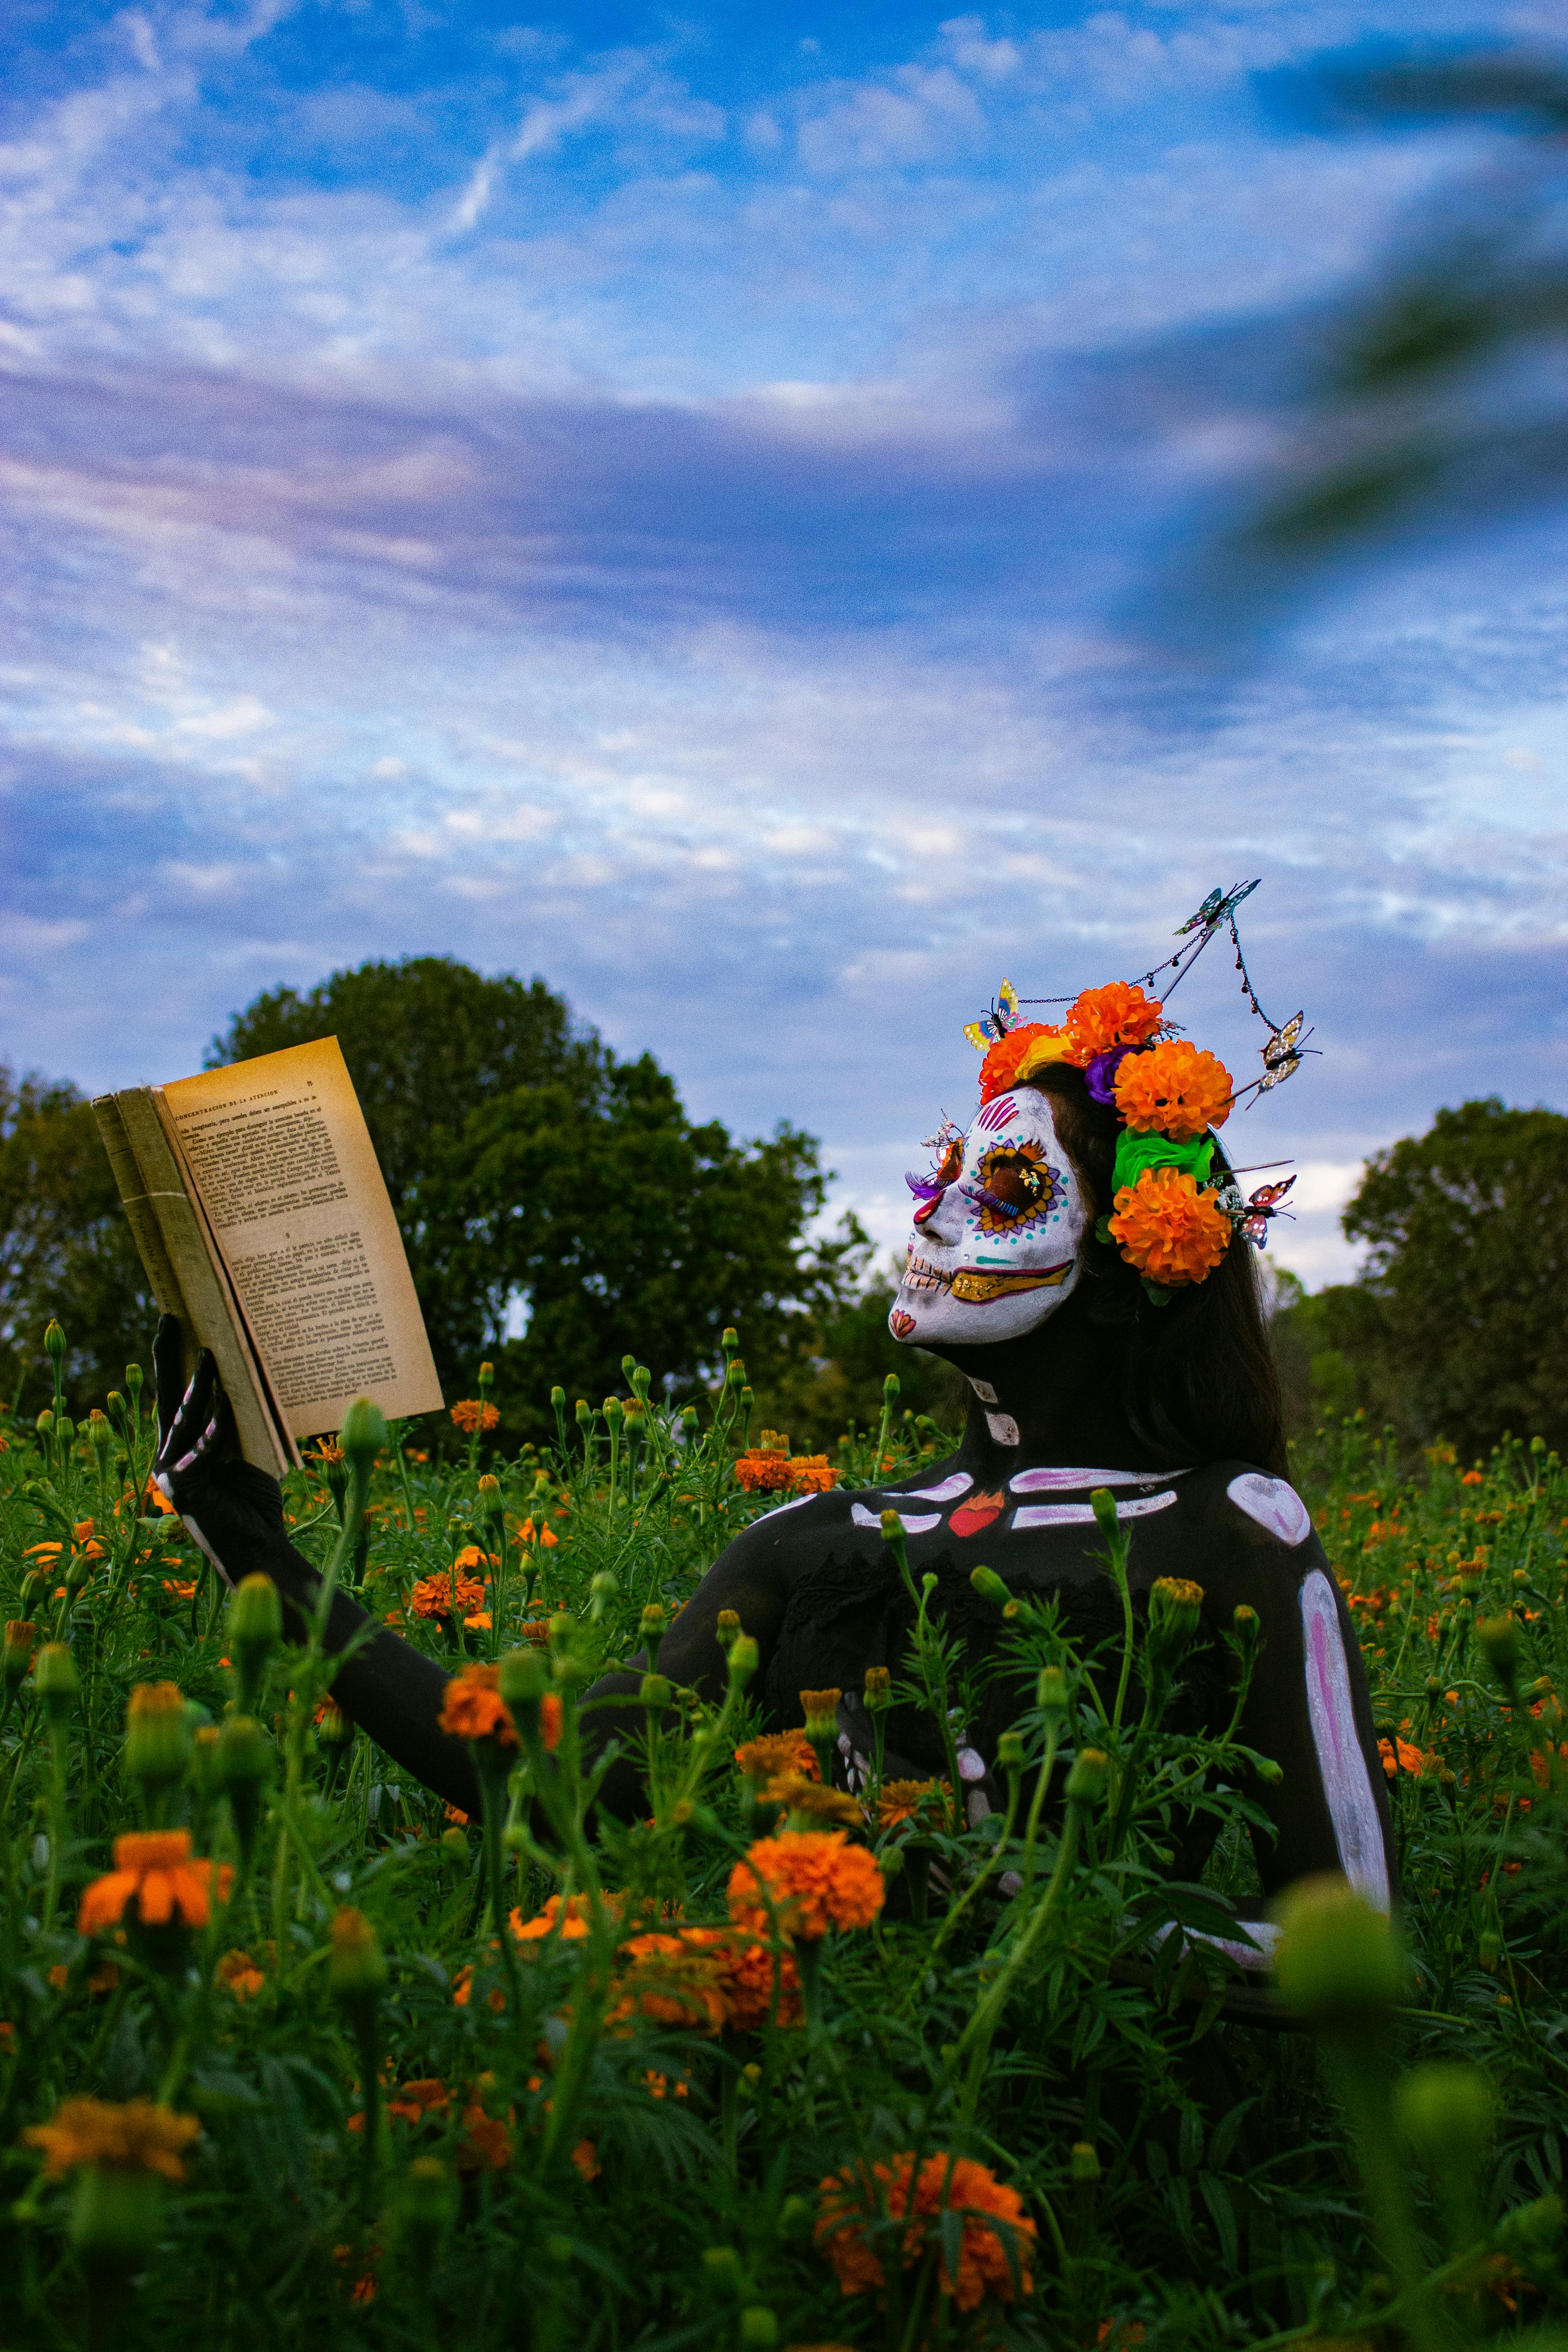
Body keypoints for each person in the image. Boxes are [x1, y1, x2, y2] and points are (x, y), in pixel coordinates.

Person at [154, 955, 1395, 1989]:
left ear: (1140, 1264)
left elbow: (1359, 1952)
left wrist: (1033, 1910)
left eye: (1009, 1186)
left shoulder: (1233, 1529)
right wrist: (253, 1544)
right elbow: (545, 1780)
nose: (934, 1215)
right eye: (948, 1172)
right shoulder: (818, 1538)